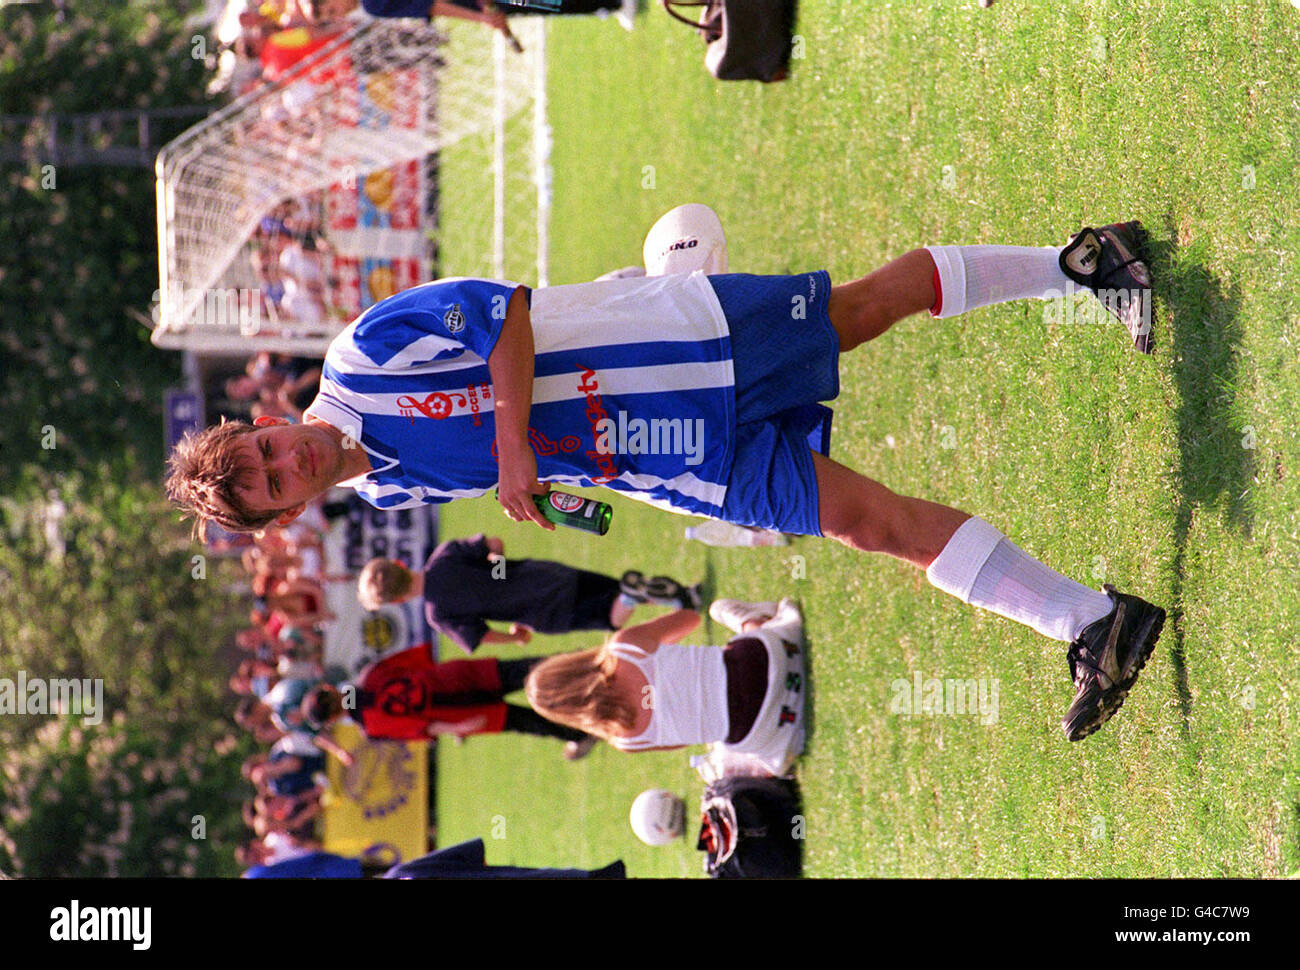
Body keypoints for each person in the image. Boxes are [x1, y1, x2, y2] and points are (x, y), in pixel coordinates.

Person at [166, 223, 1165, 741]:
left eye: (257, 447)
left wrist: (514, 445)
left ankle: (1082, 264)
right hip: (666, 456)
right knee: (867, 524)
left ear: (258, 423)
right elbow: (508, 458)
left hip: (677, 344)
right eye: (265, 483)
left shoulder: (358, 357)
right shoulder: (381, 492)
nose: (276, 458)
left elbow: (503, 313)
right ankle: (1090, 624)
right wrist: (548, 485)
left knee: (865, 307)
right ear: (287, 510)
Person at [524, 599, 806, 775]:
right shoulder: (624, 647)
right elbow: (689, 619)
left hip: (766, 729)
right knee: (719, 610)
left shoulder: (626, 741)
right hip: (770, 657)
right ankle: (751, 622)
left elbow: (688, 736)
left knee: (723, 755)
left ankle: (755, 628)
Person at [356, 537, 701, 654]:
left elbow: (480, 635)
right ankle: (685, 596)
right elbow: (494, 547)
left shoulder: (438, 613)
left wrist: (514, 637)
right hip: (546, 574)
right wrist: (498, 570)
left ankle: (631, 596)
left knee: (610, 616)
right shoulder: (445, 555)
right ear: (400, 563)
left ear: (397, 602)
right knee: (609, 588)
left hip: (543, 611)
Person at [301, 643, 599, 759]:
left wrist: (460, 727)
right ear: (329, 688)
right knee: (526, 671)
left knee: (528, 720)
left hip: (458, 712)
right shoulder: (371, 674)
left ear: (331, 720)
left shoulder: (372, 727)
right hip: (457, 678)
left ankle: (582, 729)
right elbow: (421, 657)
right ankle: (582, 662)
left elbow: (423, 728)